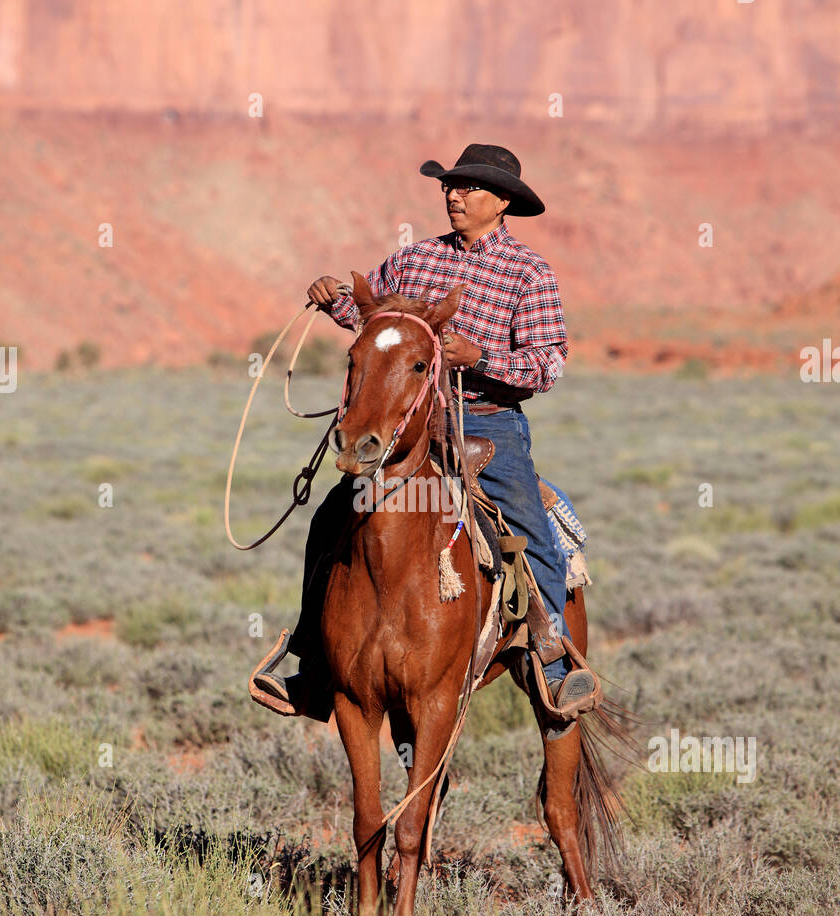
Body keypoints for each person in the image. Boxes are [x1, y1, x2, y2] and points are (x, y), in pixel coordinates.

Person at [252, 143, 598, 720]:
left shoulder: (528, 273)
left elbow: (549, 364)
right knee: (332, 517)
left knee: (532, 530)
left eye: (468, 189)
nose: (454, 196)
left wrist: (481, 357)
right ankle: (313, 662)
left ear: (503, 201)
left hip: (489, 424)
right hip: (412, 421)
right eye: (449, 187)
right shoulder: (414, 260)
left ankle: (554, 663)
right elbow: (375, 320)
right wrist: (333, 298)